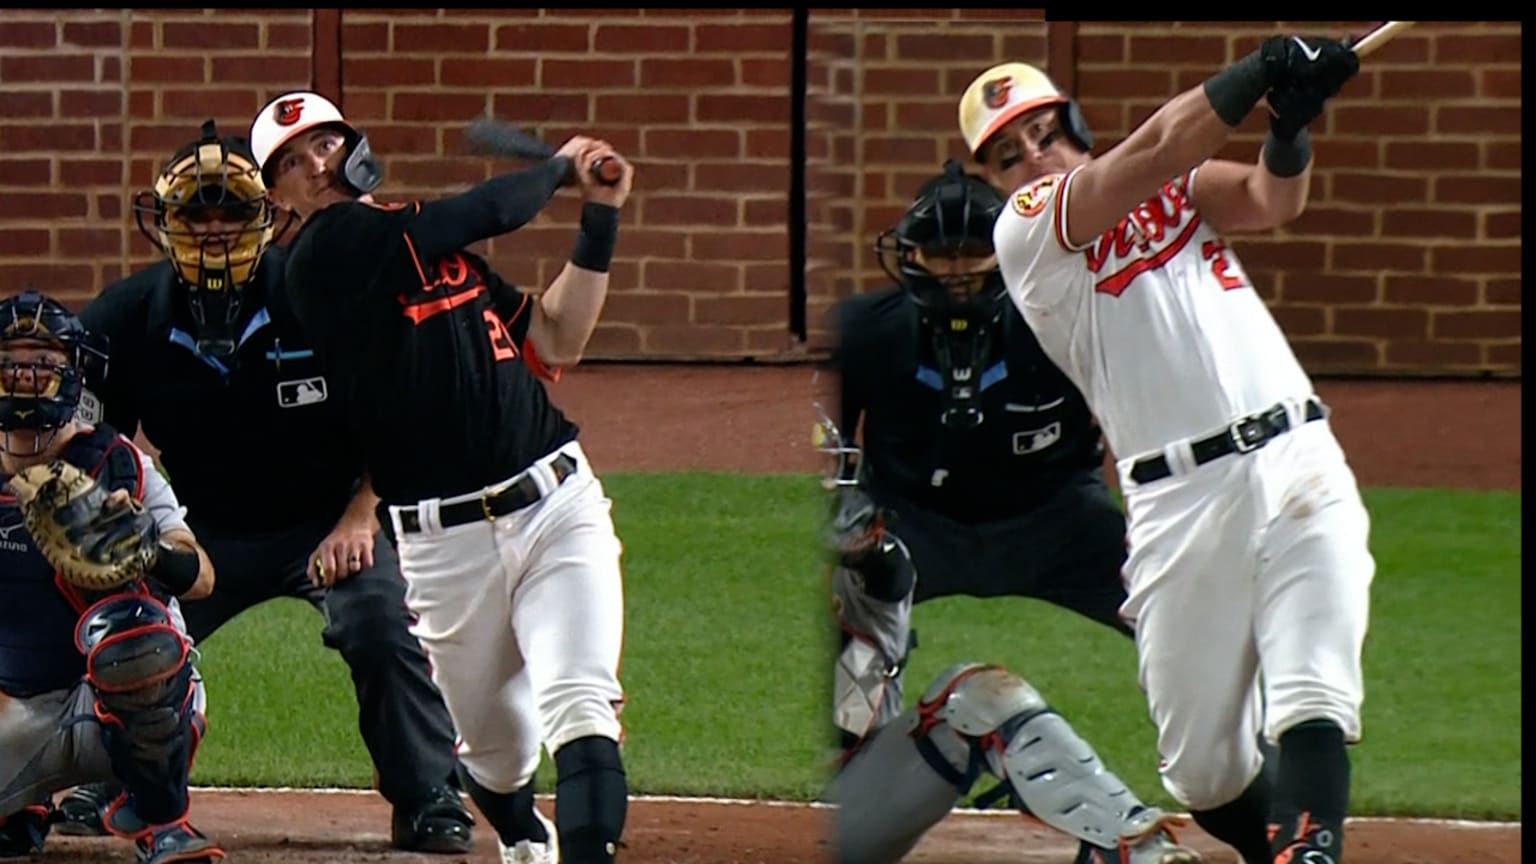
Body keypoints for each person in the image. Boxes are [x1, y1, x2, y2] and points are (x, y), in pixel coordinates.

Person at [975, 34, 1370, 864]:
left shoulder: (1178, 188)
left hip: (1296, 455)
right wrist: (1261, 71)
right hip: (1177, 503)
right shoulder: (1030, 231)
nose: (1032, 157)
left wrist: (1289, 126)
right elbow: (1155, 147)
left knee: (1310, 691)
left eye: (1042, 132)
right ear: (994, 179)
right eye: (1008, 155)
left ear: (1071, 121)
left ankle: (1310, 852)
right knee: (1203, 772)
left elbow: (1271, 199)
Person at [60, 120, 475, 854]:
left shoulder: (320, 291)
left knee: (378, 620)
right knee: (115, 622)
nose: (214, 230)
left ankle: (428, 791)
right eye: (197, 212)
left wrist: (360, 515)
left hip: (328, 520)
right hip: (201, 531)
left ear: (266, 216)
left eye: (231, 211)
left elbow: (403, 408)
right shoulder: (126, 316)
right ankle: (124, 779)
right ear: (165, 221)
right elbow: (91, 439)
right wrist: (109, 515)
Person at [247, 90, 635, 864]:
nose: (314, 165)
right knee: (494, 758)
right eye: (291, 162)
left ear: (351, 147)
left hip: (555, 502)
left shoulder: (427, 248)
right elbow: (486, 210)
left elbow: (558, 337)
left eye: (324, 144)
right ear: (278, 195)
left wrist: (601, 218)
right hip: (443, 545)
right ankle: (524, 832)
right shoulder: (324, 257)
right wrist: (561, 167)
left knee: (579, 703)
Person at [821, 165, 1200, 864]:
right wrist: (848, 516)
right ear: (911, 255)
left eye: (973, 253)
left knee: (1184, 611)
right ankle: (1131, 846)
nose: (957, 272)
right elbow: (827, 453)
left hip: (1057, 518)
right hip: (913, 521)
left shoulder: (1065, 322)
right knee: (863, 576)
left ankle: (1255, 780)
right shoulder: (866, 334)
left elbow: (1154, 423)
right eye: (941, 254)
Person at [0, 289, 223, 864]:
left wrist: (147, 549)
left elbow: (201, 577)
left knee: (133, 632)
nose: (26, 378)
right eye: (11, 363)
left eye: (44, 363)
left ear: (73, 374)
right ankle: (23, 806)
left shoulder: (117, 460)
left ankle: (161, 820)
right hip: (16, 702)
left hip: (111, 699)